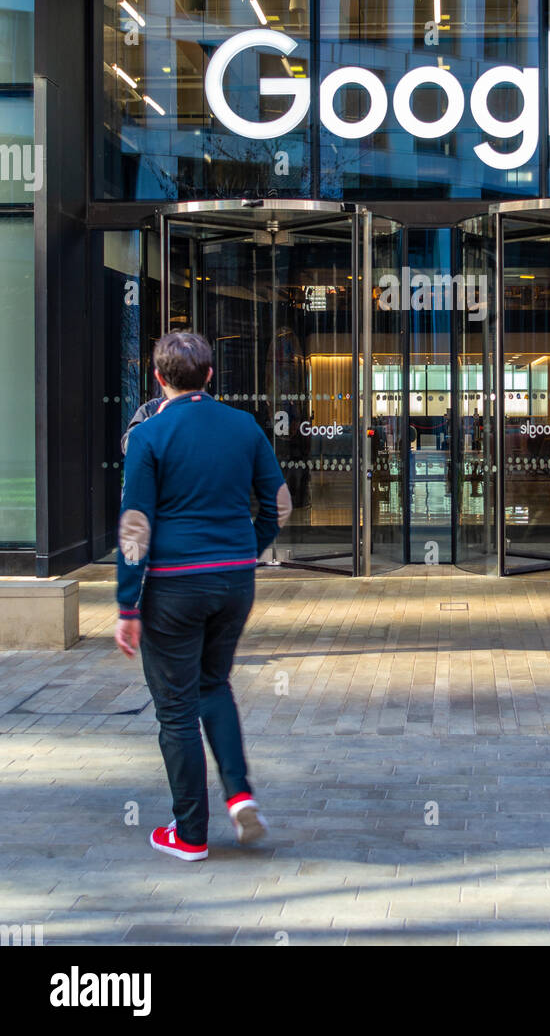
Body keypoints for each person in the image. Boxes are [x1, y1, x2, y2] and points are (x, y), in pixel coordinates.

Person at [114, 331, 291, 861]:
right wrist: (248, 548)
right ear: (211, 376)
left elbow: (135, 526)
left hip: (173, 587)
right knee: (214, 684)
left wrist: (127, 606)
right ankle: (239, 794)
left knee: (174, 709)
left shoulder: (149, 435)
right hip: (235, 582)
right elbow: (278, 503)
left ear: (158, 378)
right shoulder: (244, 426)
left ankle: (189, 833)